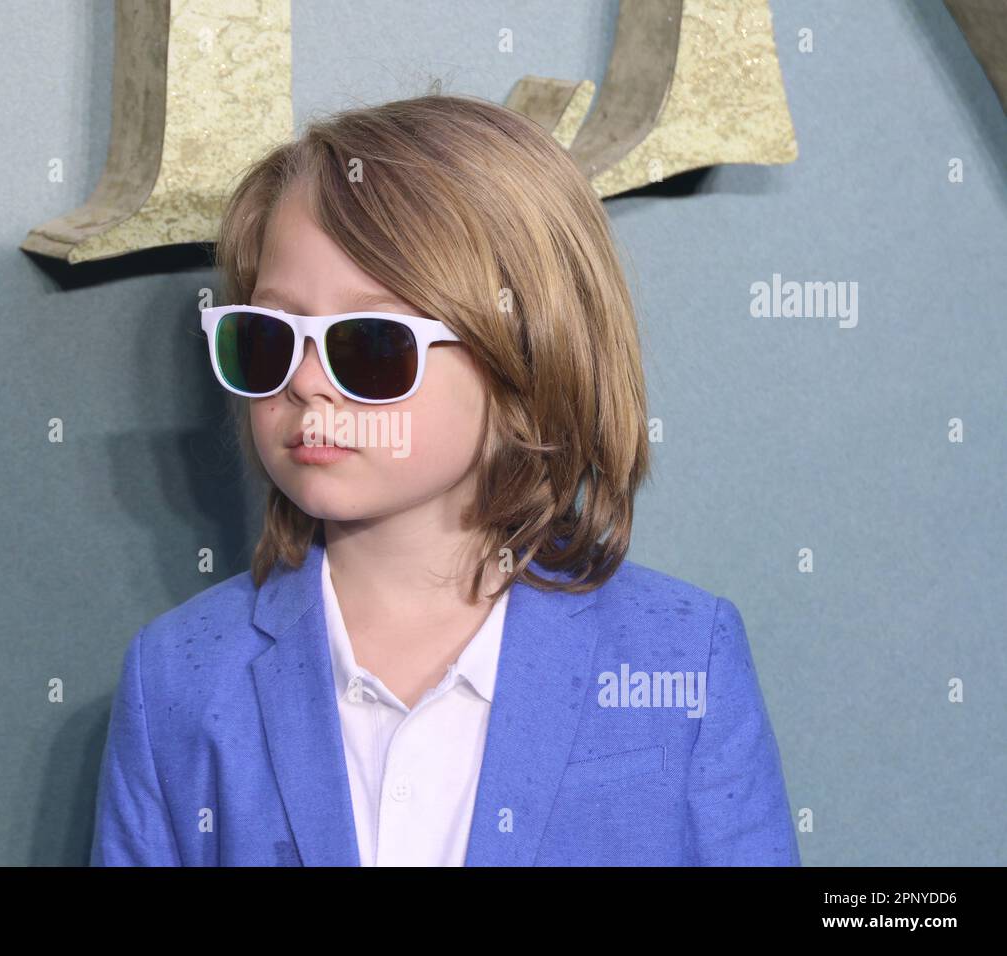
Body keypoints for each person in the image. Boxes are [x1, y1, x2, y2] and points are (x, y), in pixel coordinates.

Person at [90, 93, 800, 866]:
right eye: (269, 337)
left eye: (370, 344)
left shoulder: (680, 654)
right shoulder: (178, 676)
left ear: (526, 357)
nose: (306, 382)